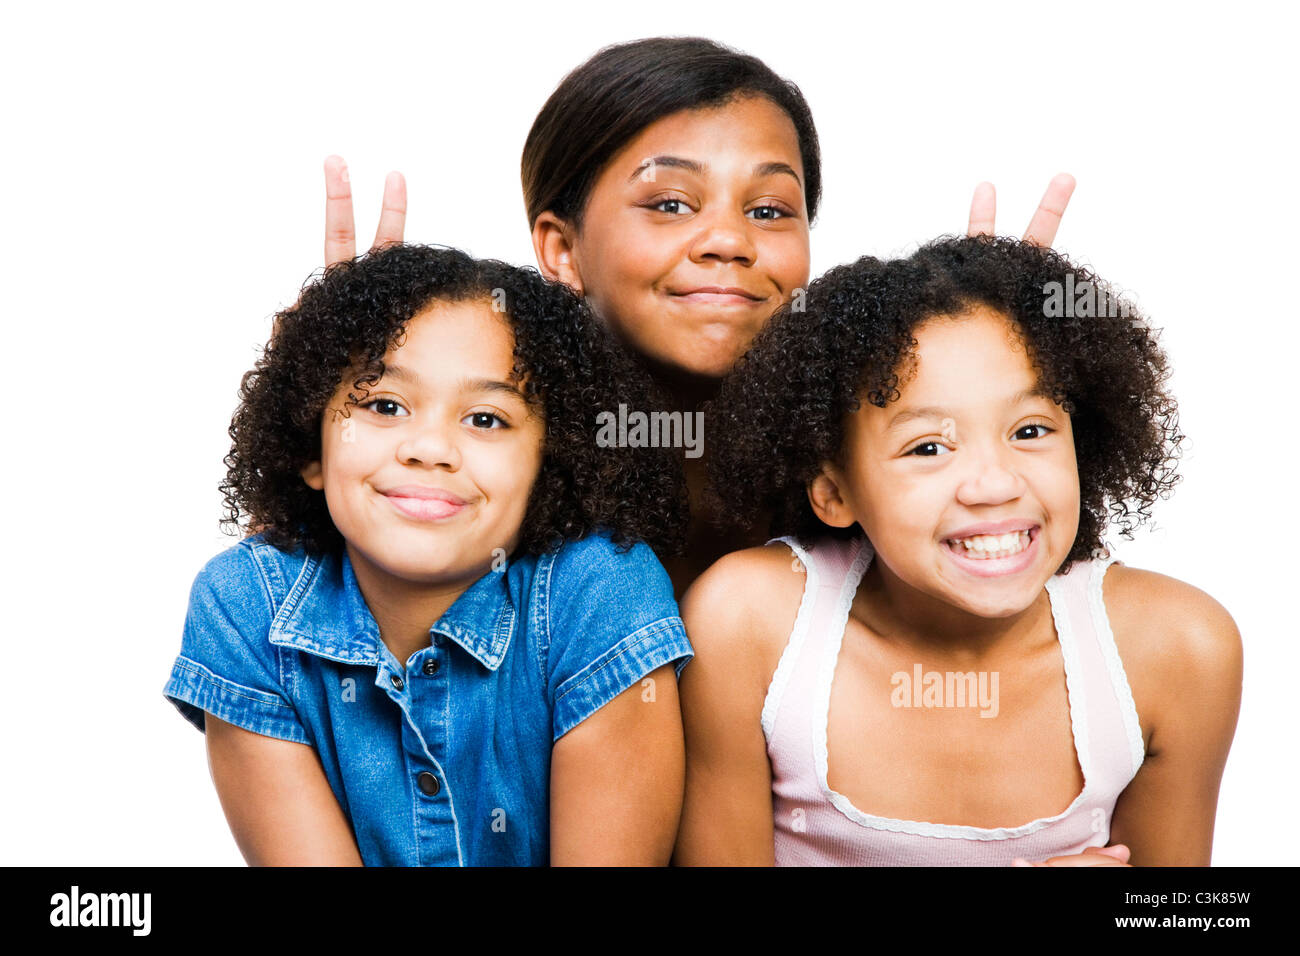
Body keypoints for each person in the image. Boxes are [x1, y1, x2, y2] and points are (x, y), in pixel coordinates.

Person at [321, 36, 1076, 590]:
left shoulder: (862, 440)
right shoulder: (476, 446)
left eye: (771, 208)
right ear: (560, 250)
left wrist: (981, 372)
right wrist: (342, 395)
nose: (728, 240)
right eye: (671, 203)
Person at [674, 235, 1242, 865]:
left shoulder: (1177, 650)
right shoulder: (749, 624)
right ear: (834, 491)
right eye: (928, 447)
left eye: (1029, 430)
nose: (995, 484)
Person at [164, 243, 692, 865]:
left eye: (487, 419)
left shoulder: (601, 591)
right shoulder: (244, 605)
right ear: (312, 443)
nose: (430, 448)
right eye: (384, 406)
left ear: (549, 467)